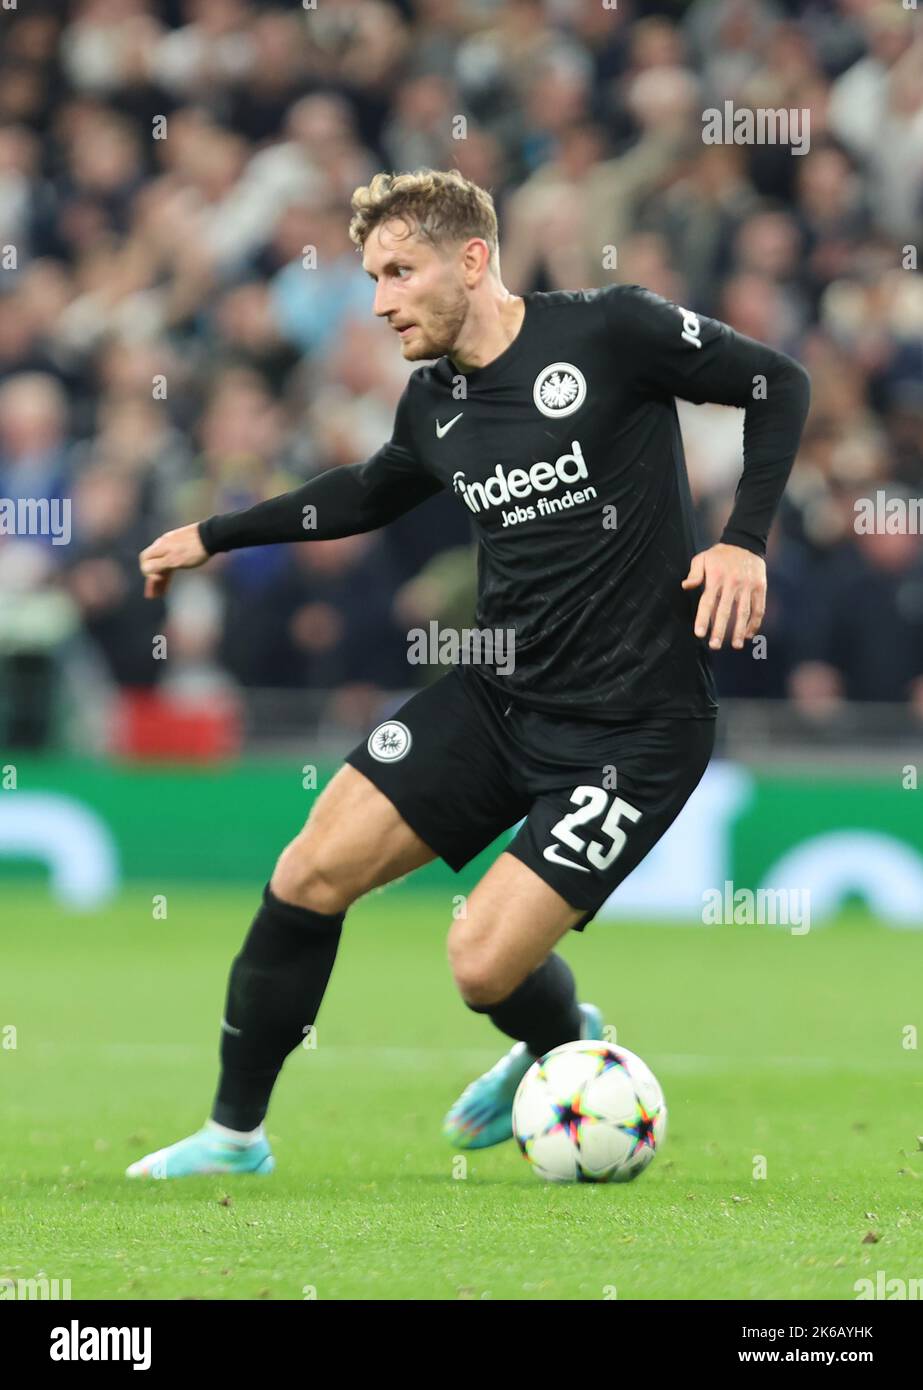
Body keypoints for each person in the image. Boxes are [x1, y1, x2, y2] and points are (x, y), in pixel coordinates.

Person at [129, 168, 810, 1178]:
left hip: (633, 730)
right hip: (498, 696)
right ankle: (234, 1139)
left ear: (473, 259)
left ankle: (557, 1029)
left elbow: (777, 382)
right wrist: (215, 534)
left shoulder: (610, 331)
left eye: (400, 272)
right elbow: (365, 493)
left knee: (481, 965)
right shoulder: (434, 402)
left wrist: (743, 540)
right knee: (308, 870)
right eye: (372, 276)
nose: (380, 299)